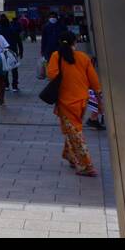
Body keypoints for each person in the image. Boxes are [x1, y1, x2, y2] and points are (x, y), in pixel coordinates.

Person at [46, 31, 102, 177]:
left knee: (75, 133)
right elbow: (94, 81)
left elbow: (51, 75)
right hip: (82, 100)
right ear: (74, 42)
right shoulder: (83, 57)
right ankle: (70, 155)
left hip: (65, 102)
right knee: (73, 129)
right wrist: (98, 95)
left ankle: (86, 165)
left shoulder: (56, 56)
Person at [39, 14, 64, 80]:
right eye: (51, 17)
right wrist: (42, 50)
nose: (53, 18)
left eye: (54, 17)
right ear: (49, 18)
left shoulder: (60, 26)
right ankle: (50, 75)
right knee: (49, 62)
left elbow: (64, 36)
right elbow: (43, 39)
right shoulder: (46, 26)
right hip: (48, 48)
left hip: (58, 47)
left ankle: (59, 74)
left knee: (59, 61)